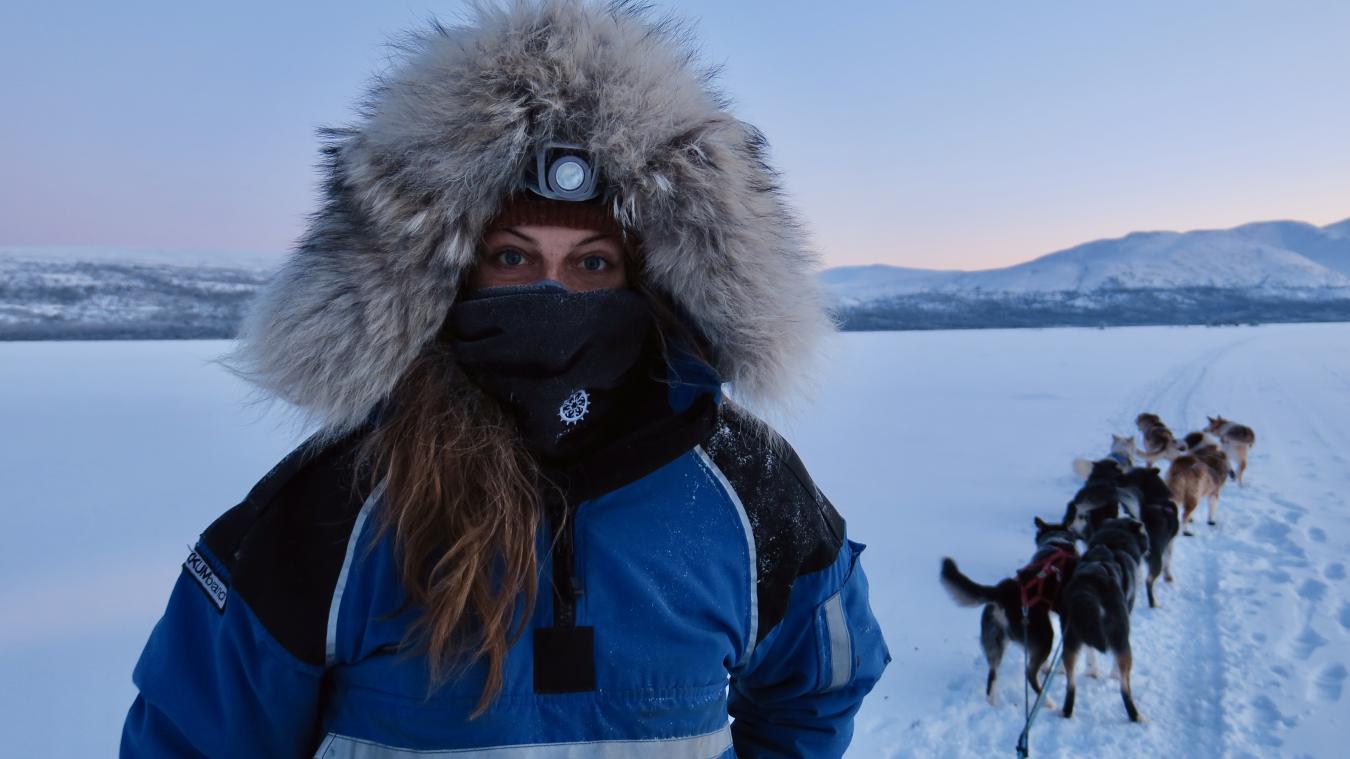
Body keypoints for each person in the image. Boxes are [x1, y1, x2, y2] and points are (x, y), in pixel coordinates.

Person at [121, 1, 890, 756]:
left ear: (651, 283)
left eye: (593, 264)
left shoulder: (744, 488)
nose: (552, 294)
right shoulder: (337, 505)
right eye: (513, 257)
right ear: (448, 277)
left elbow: (822, 677)